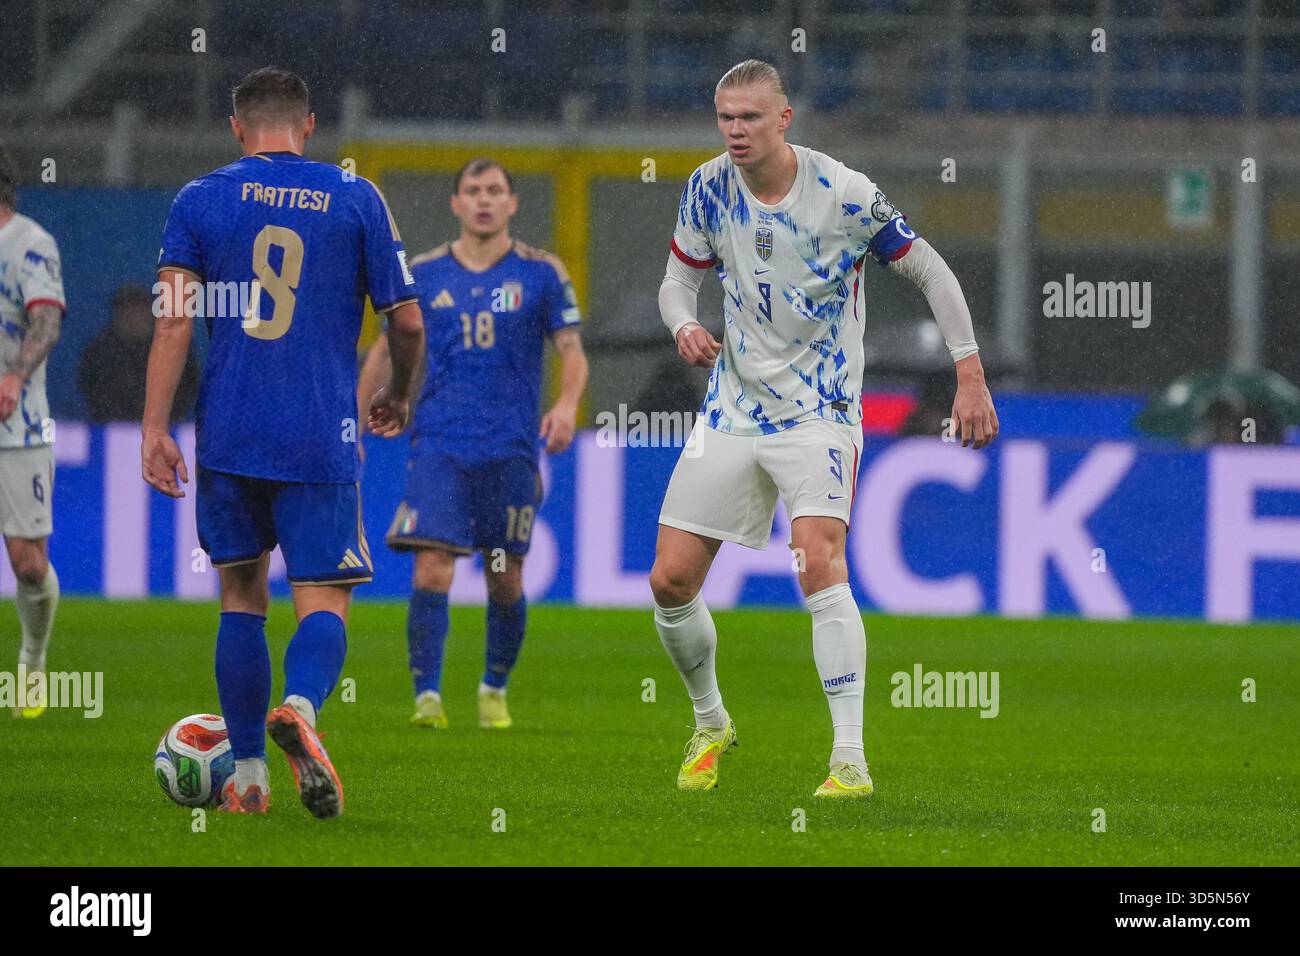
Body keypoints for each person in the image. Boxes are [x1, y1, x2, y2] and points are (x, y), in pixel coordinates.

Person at [651, 60, 999, 797]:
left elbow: (932, 271)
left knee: (817, 562)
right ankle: (711, 720)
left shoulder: (844, 193)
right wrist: (683, 323)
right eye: (725, 118)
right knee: (671, 579)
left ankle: (849, 759)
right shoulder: (708, 187)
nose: (735, 131)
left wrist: (969, 374)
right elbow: (679, 279)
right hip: (733, 408)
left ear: (784, 119)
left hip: (821, 410)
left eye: (749, 117)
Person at [142, 67, 425, 816]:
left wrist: (152, 428)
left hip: (229, 431)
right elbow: (408, 322)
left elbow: (172, 320)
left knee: (240, 596)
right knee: (323, 598)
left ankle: (248, 782)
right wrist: (398, 392)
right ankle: (299, 705)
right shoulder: (355, 196)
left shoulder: (199, 199)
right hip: (318, 433)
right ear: (308, 125)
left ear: (237, 128)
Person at [359, 158, 587, 731]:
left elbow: (572, 351)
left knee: (503, 575)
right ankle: (428, 698)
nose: (483, 200)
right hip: (438, 444)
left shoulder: (541, 272)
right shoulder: (425, 273)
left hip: (510, 451)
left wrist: (565, 406)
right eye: (472, 191)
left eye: (494, 191)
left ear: (512, 203)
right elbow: (386, 349)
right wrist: (354, 416)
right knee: (431, 567)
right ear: (456, 203)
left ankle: (493, 686)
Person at [0, 143, 64, 719]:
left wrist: (16, 376)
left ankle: (33, 659)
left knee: (27, 564)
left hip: (15, 426)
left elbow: (46, 319)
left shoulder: (29, 244)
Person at [79, 283, 199, 422]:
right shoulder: (99, 351)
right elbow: (92, 388)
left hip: (165, 428)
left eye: (138, 309)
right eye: (126, 310)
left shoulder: (171, 348)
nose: (132, 316)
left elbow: (188, 386)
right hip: (111, 429)